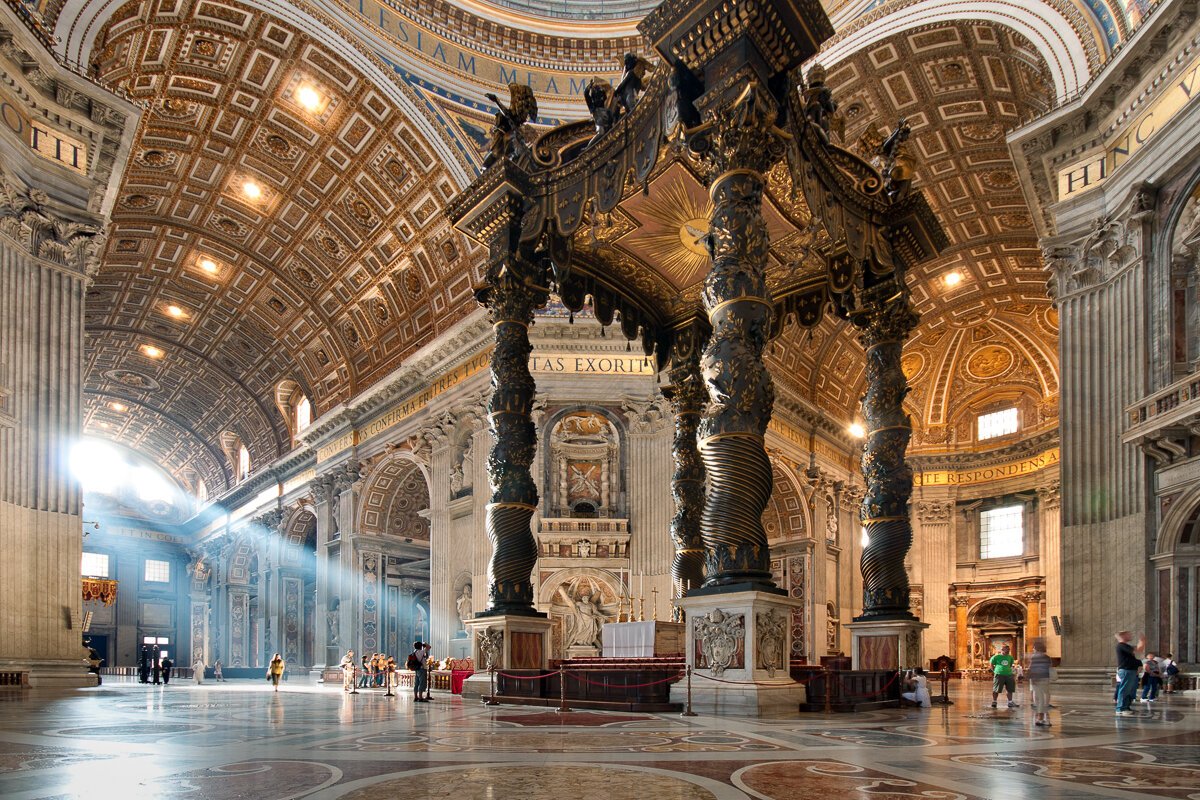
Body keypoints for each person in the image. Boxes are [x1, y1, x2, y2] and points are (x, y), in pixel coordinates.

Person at [1114, 630, 1145, 715]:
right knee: (1125, 689)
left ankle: (1126, 707)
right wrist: (1142, 640)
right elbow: (1138, 649)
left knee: (1129, 690)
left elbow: (1139, 649)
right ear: (1123, 636)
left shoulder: (1125, 646)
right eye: (1128, 635)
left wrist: (1142, 641)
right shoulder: (1121, 645)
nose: (1130, 636)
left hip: (1130, 670)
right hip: (1126, 670)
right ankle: (1120, 708)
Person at [1027, 638, 1053, 726]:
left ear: (1036, 648)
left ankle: (1040, 719)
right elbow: (1050, 667)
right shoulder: (1048, 657)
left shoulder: (1034, 657)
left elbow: (1031, 668)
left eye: (1034, 648)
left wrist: (1030, 679)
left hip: (1036, 679)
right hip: (1045, 679)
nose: (1033, 649)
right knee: (1045, 699)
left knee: (1039, 700)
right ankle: (1046, 718)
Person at [989, 644, 1018, 708]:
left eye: (1009, 649)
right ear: (1002, 650)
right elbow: (991, 664)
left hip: (1009, 675)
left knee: (1010, 689)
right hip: (999, 674)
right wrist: (995, 671)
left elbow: (1010, 665)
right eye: (1006, 649)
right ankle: (994, 701)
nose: (1008, 651)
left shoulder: (1010, 657)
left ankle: (1010, 702)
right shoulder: (996, 657)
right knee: (996, 689)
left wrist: (1008, 671)